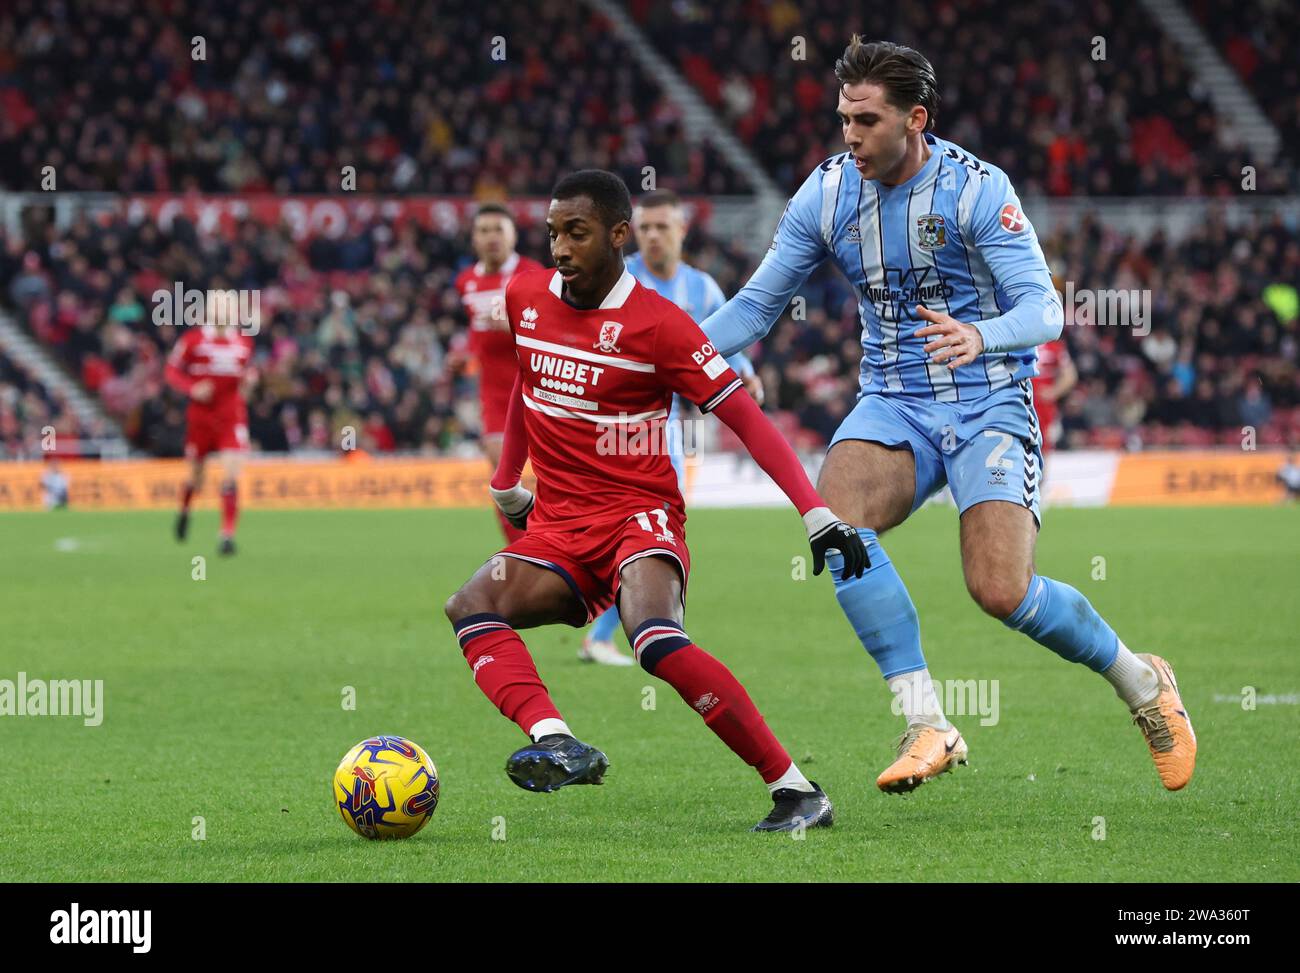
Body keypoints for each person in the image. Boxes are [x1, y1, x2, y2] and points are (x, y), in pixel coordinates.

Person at [700, 38, 1196, 792]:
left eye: (867, 120)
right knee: (838, 516)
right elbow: (757, 307)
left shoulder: (976, 190)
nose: (851, 136)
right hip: (894, 400)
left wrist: (980, 333)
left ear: (916, 119)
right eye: (843, 119)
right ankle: (927, 719)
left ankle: (1143, 682)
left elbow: (1043, 309)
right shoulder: (827, 193)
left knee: (1001, 590)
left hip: (989, 397)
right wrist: (673, 356)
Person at [443, 170, 868, 831]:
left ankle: (796, 790)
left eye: (576, 234)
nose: (559, 248)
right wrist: (507, 477)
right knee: (471, 605)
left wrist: (816, 513)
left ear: (617, 236)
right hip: (558, 525)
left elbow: (747, 419)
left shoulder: (660, 325)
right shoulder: (524, 293)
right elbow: (526, 384)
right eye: (553, 232)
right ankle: (557, 739)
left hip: (639, 515)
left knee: (655, 639)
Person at [579, 188, 762, 667]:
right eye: (645, 228)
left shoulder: (701, 288)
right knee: (635, 528)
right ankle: (631, 626)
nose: (654, 236)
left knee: (654, 526)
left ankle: (619, 628)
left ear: (682, 229)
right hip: (610, 424)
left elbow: (726, 337)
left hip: (665, 428)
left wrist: (745, 370)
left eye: (663, 227)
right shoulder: (616, 281)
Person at [454, 204, 545, 543]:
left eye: (498, 229)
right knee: (502, 476)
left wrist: (513, 325)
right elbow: (477, 343)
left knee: (551, 472)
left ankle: (555, 543)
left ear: (513, 235)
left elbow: (553, 327)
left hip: (538, 385)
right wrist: (465, 361)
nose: (491, 237)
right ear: (474, 238)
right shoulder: (467, 282)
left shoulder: (533, 274)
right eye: (484, 230)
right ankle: (522, 548)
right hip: (494, 394)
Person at [165, 291, 256, 555]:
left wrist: (249, 382)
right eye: (218, 305)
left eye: (228, 306)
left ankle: (226, 535)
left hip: (231, 417)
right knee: (196, 478)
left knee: (231, 474)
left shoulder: (243, 342)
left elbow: (243, 379)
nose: (223, 311)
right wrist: (191, 388)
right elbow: (171, 370)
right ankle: (184, 510)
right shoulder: (193, 340)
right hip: (201, 418)